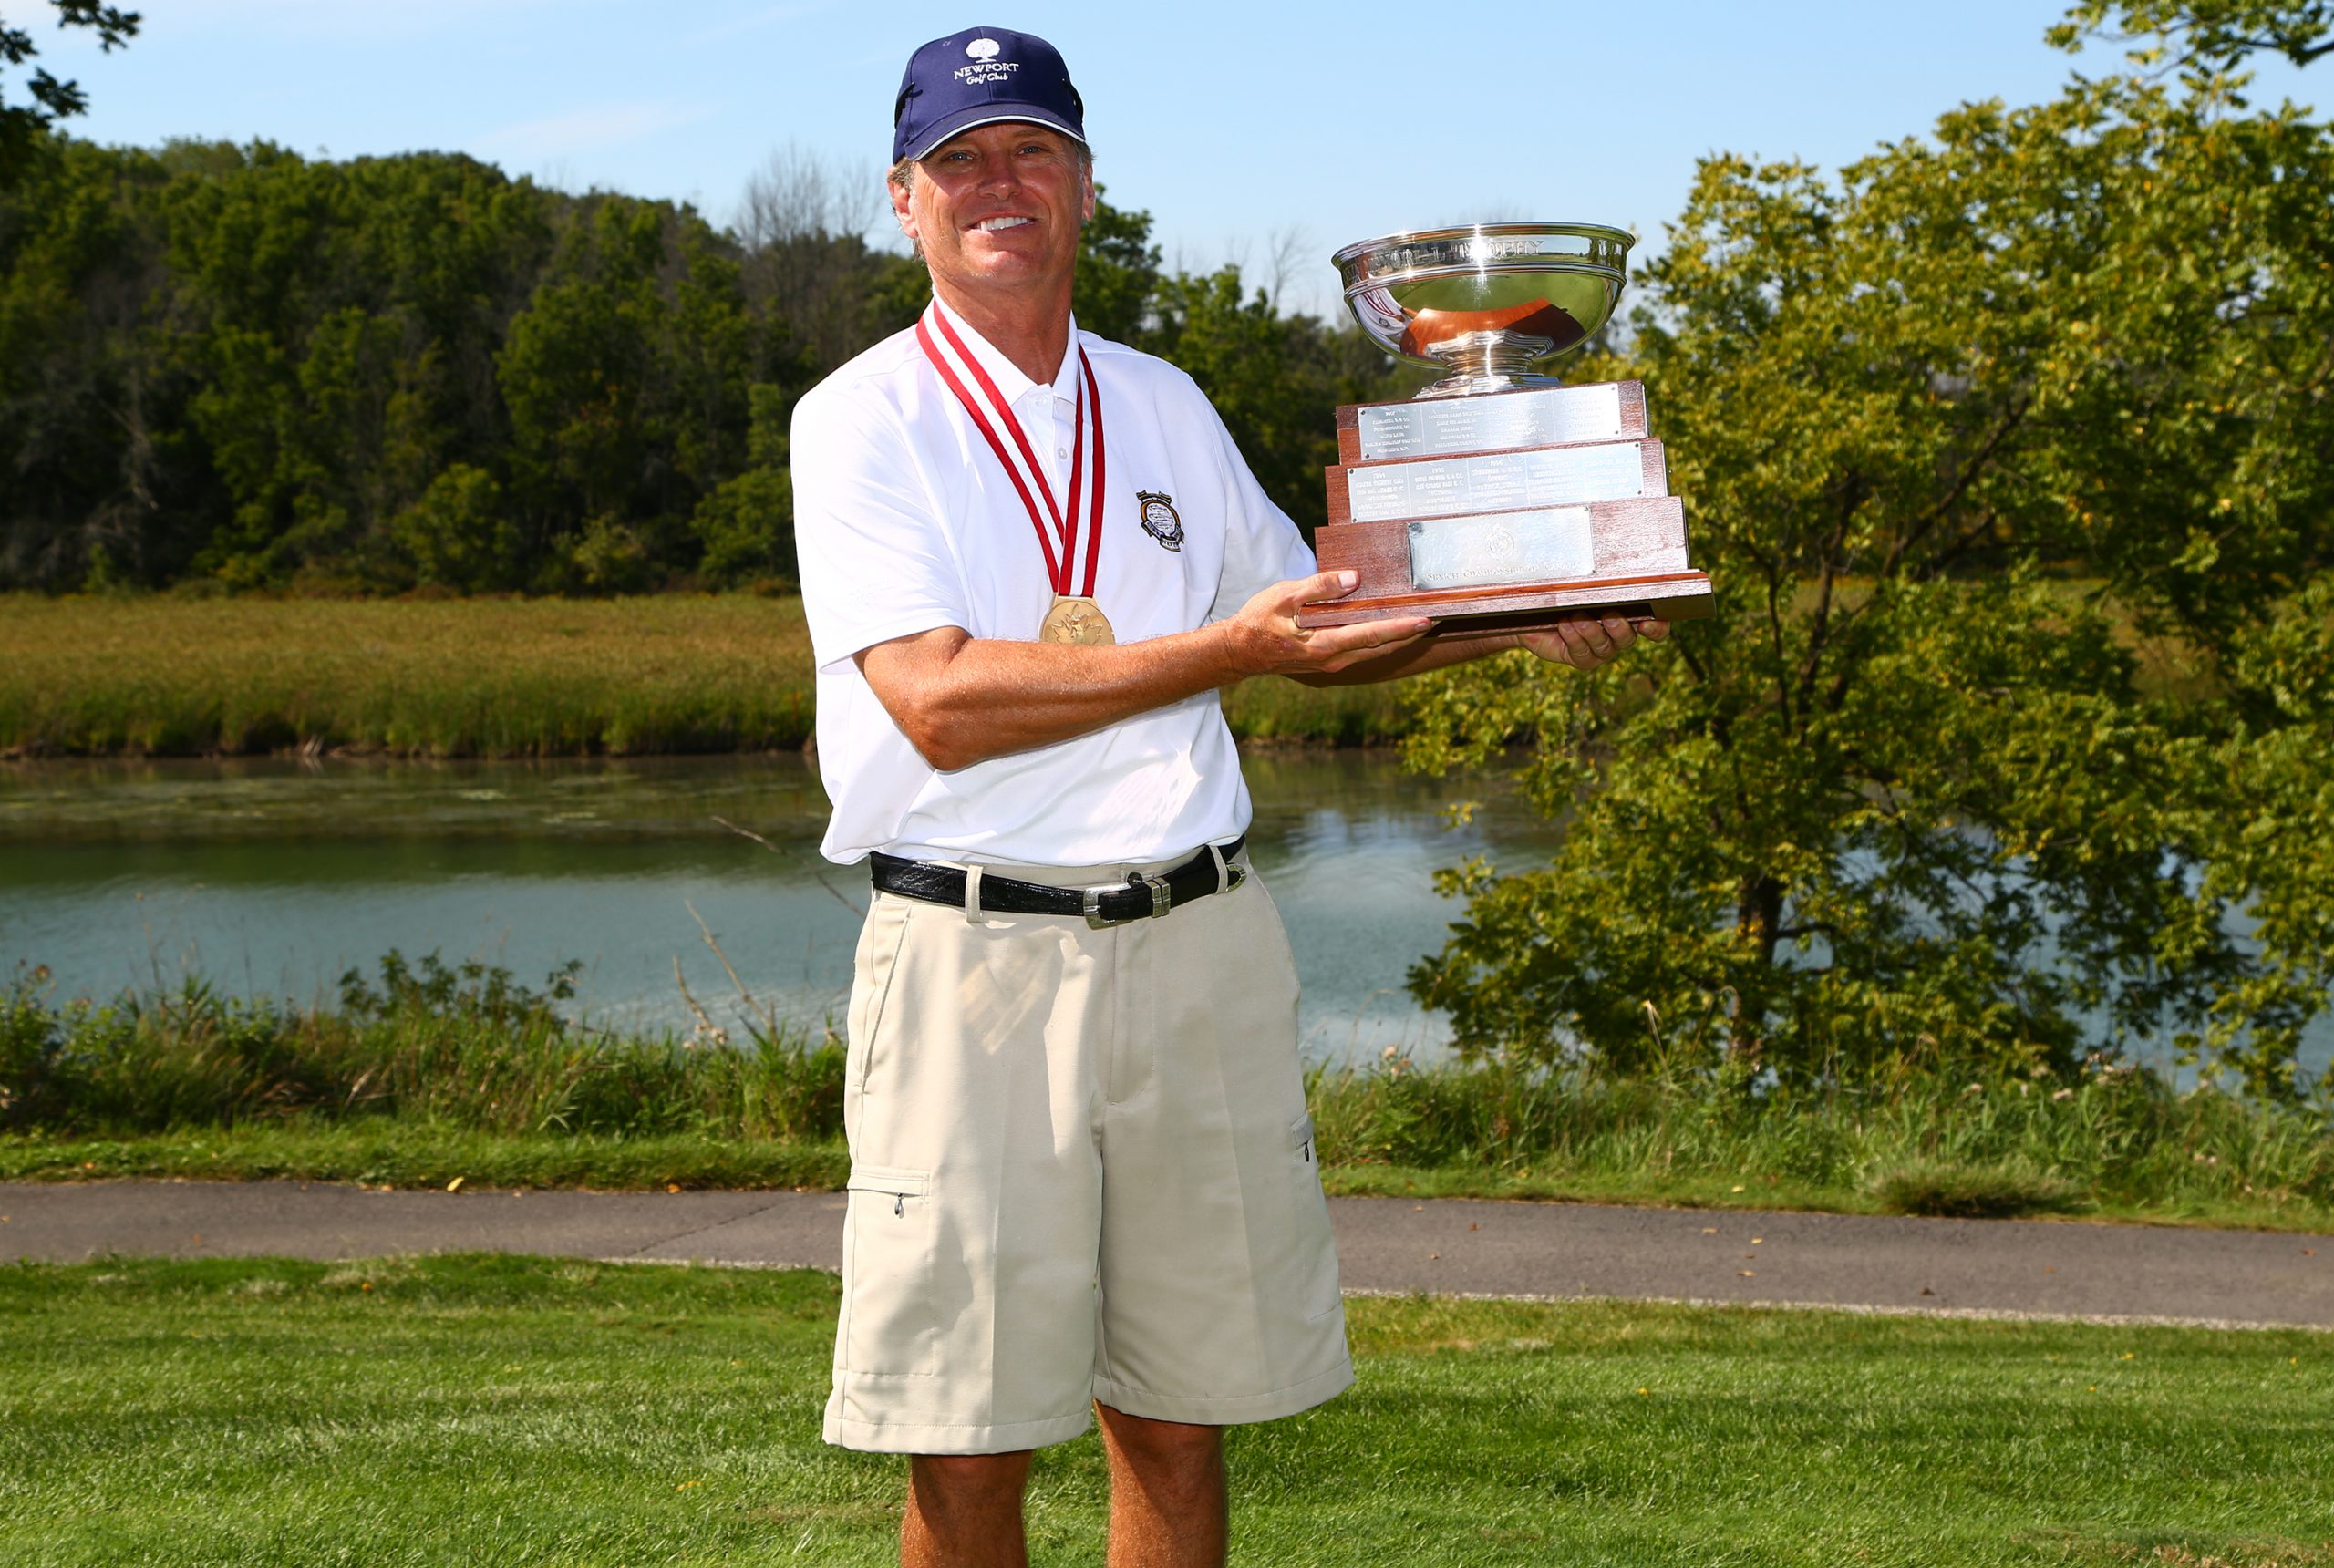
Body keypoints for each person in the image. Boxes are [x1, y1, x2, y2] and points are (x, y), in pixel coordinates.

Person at [790, 26, 1667, 1566]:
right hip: (977, 959)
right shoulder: (862, 416)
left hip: (1195, 944)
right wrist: (1223, 648)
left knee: (1183, 1417)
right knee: (968, 1439)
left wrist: (1522, 610)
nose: (1001, 184)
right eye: (963, 161)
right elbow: (933, 698)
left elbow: (1309, 628)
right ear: (904, 198)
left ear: (1082, 184)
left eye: (1033, 152)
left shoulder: (1164, 401)